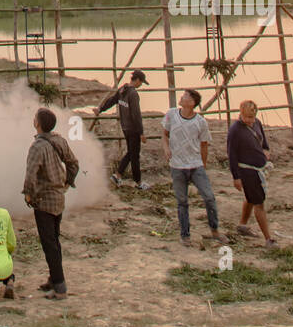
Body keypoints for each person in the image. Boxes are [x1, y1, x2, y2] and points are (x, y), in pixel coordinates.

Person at [23, 107, 79, 299]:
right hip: (58, 197)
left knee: (49, 244)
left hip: (43, 200)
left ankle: (60, 287)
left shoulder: (37, 146)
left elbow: (31, 174)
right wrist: (67, 181)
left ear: (37, 124)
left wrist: (28, 195)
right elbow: (73, 163)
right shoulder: (59, 140)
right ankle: (53, 279)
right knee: (54, 240)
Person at [162, 89, 228, 248]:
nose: (182, 97)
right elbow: (164, 133)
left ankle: (214, 230)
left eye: (185, 96)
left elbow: (204, 144)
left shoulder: (200, 122)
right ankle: (185, 235)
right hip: (177, 165)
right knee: (182, 201)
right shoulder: (171, 114)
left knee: (209, 197)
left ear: (192, 103)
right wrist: (166, 148)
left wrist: (203, 165)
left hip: (195, 165)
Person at [227, 99, 276, 247]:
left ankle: (242, 225)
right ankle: (268, 238)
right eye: (247, 117)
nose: (250, 121)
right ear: (241, 114)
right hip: (247, 170)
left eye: (252, 117)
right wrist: (236, 177)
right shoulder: (235, 130)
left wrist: (266, 151)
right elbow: (232, 154)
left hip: (260, 168)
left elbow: (263, 141)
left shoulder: (257, 123)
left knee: (250, 198)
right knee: (258, 203)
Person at [95, 68, 151, 190]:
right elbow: (136, 114)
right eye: (141, 82)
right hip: (133, 128)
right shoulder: (133, 94)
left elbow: (111, 101)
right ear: (136, 80)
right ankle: (138, 182)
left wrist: (101, 109)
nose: (141, 85)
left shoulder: (122, 89)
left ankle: (119, 175)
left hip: (125, 127)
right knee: (134, 155)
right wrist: (141, 132)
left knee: (131, 152)